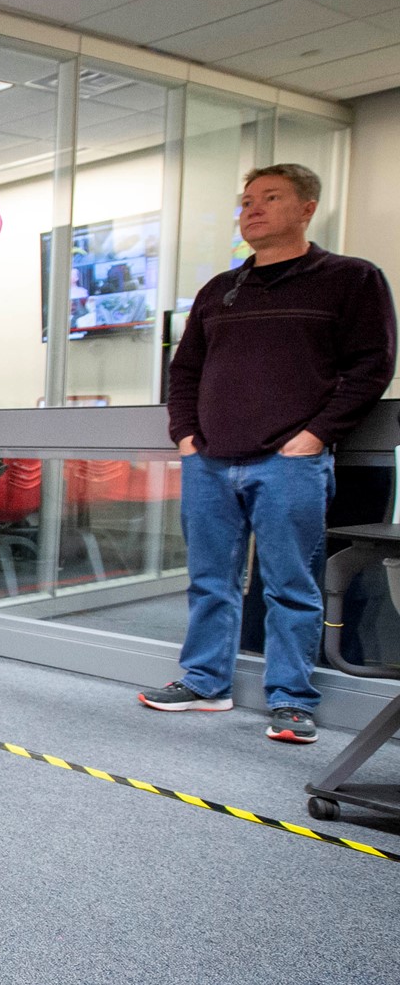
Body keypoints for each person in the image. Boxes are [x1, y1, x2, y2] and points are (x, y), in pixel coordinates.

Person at [142, 163, 395, 744]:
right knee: (210, 580)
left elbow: (370, 367)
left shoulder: (351, 279)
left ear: (307, 208)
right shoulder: (219, 291)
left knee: (290, 585)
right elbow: (184, 373)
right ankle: (205, 682)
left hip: (290, 463)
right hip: (209, 461)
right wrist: (186, 436)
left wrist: (314, 436)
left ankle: (292, 700)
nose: (251, 209)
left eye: (270, 198)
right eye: (247, 200)